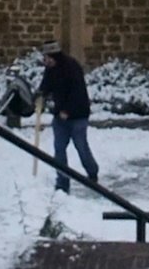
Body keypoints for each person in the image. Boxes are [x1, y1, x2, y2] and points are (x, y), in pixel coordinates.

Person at [37, 41, 99, 193]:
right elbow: (46, 86)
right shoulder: (50, 70)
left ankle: (92, 172)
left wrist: (67, 110)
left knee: (81, 146)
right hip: (60, 117)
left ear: (54, 56)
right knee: (59, 149)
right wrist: (39, 96)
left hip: (78, 116)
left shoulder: (72, 67)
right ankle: (62, 182)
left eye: (47, 57)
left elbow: (78, 92)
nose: (45, 61)